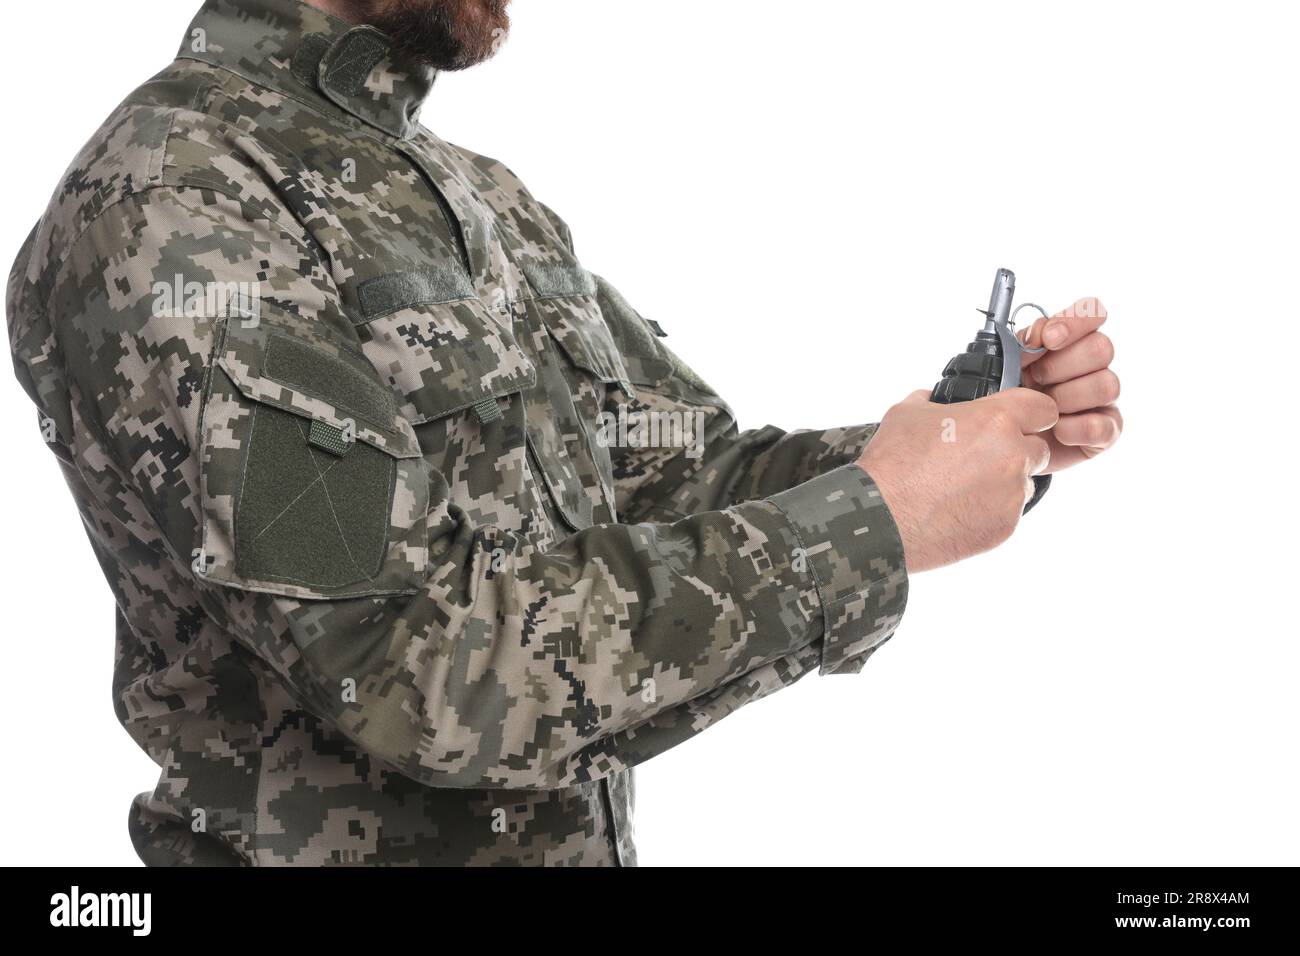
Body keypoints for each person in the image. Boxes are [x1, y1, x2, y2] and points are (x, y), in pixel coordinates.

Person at [5, 0, 1122, 866]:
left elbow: (682, 475)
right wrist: (875, 520)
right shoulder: (180, 198)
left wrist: (955, 441)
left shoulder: (476, 197)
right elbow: (411, 666)